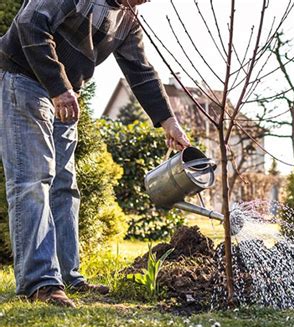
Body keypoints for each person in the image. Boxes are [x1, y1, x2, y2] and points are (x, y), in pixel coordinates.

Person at [0, 0, 191, 307]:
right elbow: (29, 24)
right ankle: (40, 282)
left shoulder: (127, 16)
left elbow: (141, 71)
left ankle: (69, 277)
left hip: (64, 93)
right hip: (24, 78)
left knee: (64, 186)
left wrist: (170, 123)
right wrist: (58, 87)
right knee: (33, 180)